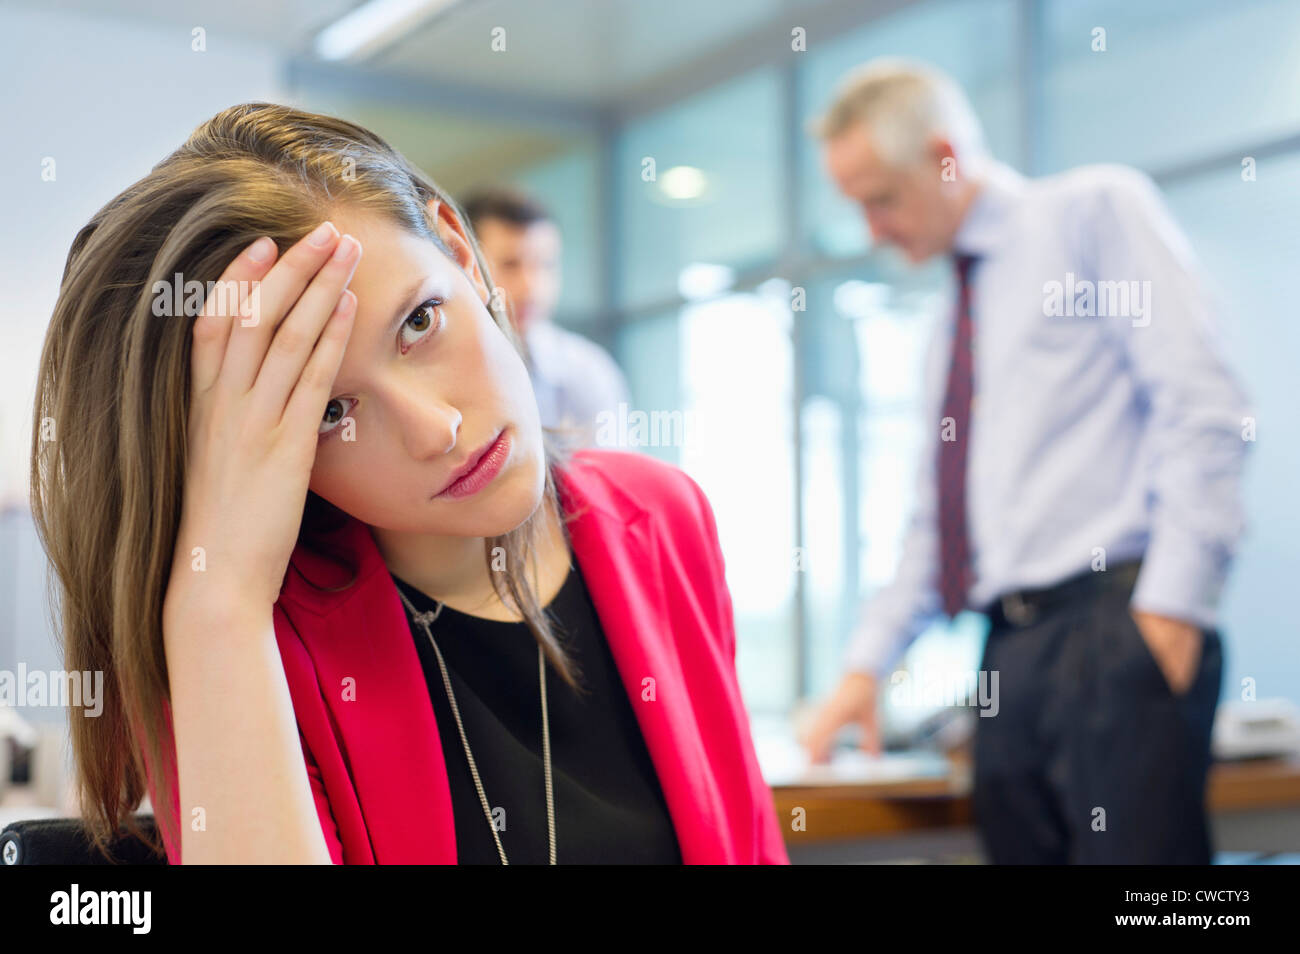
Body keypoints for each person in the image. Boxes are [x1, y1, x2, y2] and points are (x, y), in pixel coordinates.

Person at [30, 102, 788, 865]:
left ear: (458, 251)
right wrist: (217, 603)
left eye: (420, 322)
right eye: (331, 410)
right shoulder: (242, 634)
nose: (436, 430)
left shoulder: (659, 516)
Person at [798, 59, 1251, 864]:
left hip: (1115, 626)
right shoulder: (947, 322)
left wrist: (1173, 612)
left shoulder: (1091, 212)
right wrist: (864, 671)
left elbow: (1203, 407)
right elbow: (934, 526)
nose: (873, 229)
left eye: (881, 198)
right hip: (1006, 652)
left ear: (943, 156)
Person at [460, 187, 630, 450]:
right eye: (510, 264)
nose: (532, 287)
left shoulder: (587, 369)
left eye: (546, 264)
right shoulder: (443, 366)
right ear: (465, 263)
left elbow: (615, 475)